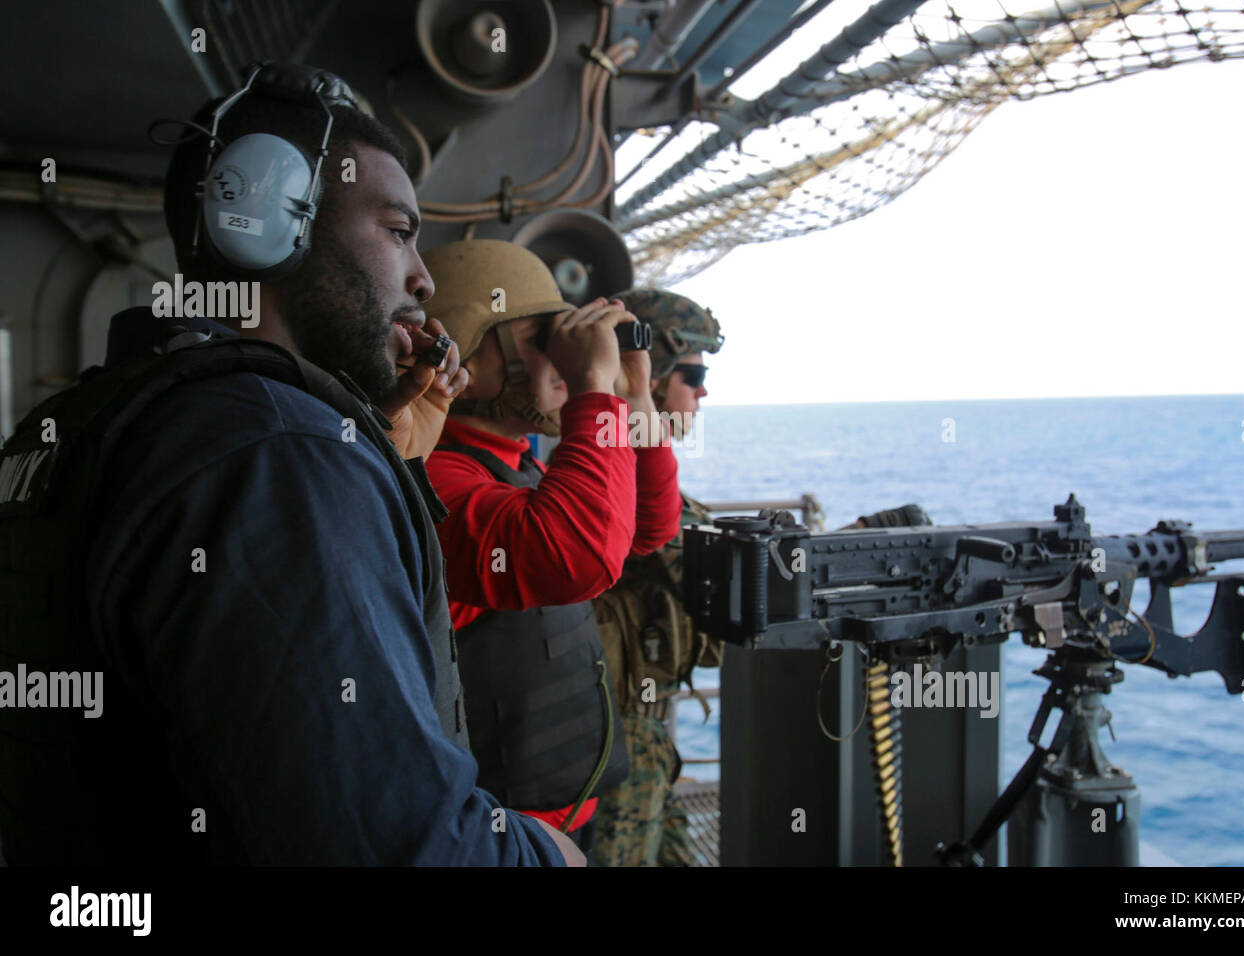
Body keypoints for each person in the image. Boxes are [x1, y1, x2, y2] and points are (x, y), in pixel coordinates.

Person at [0, 64, 580, 866]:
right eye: (398, 230)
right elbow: (388, 846)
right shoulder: (276, 452)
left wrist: (373, 444)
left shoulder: (93, 418)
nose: (424, 278)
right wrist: (551, 856)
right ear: (271, 218)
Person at [419, 240, 681, 848]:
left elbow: (648, 530)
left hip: (558, 813)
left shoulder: (513, 468)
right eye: (545, 340)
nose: (567, 357)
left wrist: (634, 397)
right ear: (467, 358)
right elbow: (577, 554)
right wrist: (594, 386)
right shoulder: (436, 478)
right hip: (493, 832)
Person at [585, 289, 725, 867]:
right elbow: (718, 573)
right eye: (692, 374)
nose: (702, 391)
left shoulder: (624, 464)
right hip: (618, 735)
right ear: (656, 367)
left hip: (641, 726)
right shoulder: (620, 473)